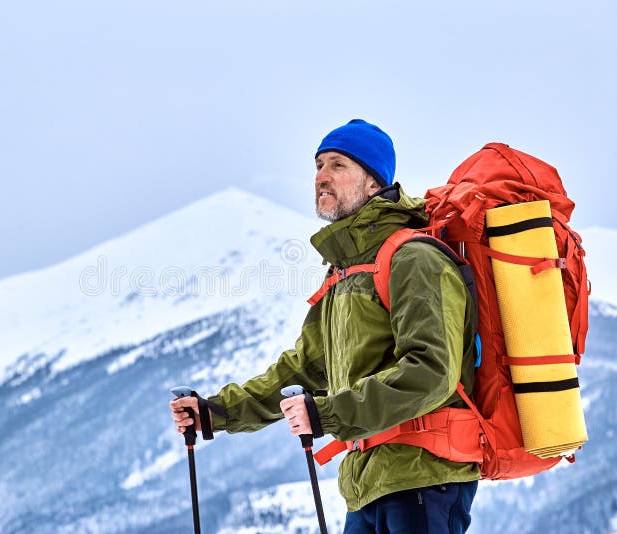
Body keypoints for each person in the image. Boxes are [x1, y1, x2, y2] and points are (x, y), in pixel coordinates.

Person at [170, 119, 480, 533]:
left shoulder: (415, 259)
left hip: (425, 478)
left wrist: (329, 413)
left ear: (373, 182)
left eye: (338, 165)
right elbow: (302, 369)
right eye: (318, 165)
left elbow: (431, 374)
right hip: (369, 483)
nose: (321, 176)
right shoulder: (345, 274)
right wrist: (218, 412)